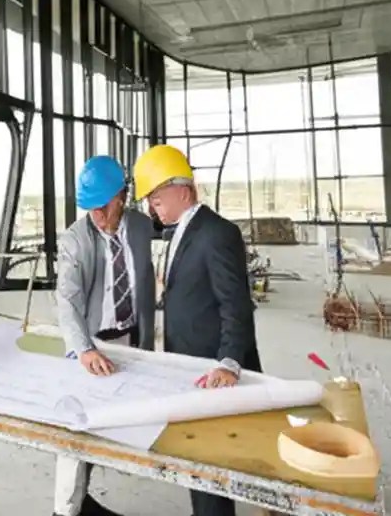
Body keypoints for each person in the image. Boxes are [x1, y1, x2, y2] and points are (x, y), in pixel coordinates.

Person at [132, 144, 260, 516]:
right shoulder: (182, 231)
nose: (153, 207)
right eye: (151, 201)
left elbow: (235, 304)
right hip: (187, 365)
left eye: (157, 198)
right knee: (194, 461)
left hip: (212, 371)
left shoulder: (217, 233)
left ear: (183, 191)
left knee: (211, 465)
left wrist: (229, 362)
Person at [54, 155, 157, 516]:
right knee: (76, 430)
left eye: (103, 207)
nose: (97, 216)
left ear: (121, 197)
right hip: (94, 344)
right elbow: (67, 299)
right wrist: (83, 350)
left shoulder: (143, 227)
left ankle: (81, 499)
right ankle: (65, 510)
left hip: (134, 341)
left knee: (115, 425)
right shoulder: (74, 240)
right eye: (90, 209)